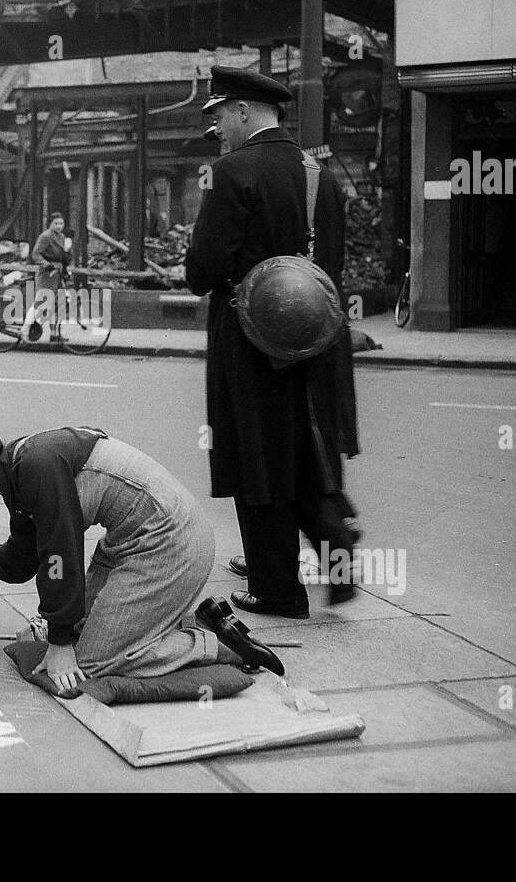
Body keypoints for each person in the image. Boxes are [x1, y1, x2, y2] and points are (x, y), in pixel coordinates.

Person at [0, 427, 282, 690]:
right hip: (134, 544)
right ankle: (189, 616)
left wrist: (60, 643)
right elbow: (27, 552)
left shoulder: (34, 467)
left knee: (91, 662)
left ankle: (216, 644)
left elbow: (58, 555)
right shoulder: (19, 465)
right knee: (79, 633)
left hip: (171, 544)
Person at [184, 66, 360, 620]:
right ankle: (336, 549)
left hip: (251, 340)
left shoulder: (232, 173)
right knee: (308, 448)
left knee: (256, 458)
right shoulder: (319, 174)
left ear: (242, 110)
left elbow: (202, 270)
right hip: (317, 337)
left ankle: (277, 591)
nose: (218, 132)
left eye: (219, 119)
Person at [23, 213, 70, 342]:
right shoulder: (45, 236)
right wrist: (46, 264)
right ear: (50, 223)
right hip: (46, 274)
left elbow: (62, 256)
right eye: (56, 223)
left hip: (57, 274)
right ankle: (25, 330)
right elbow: (36, 254)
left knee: (55, 305)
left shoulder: (62, 237)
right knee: (40, 303)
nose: (59, 226)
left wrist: (65, 268)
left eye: (61, 223)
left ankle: (54, 334)